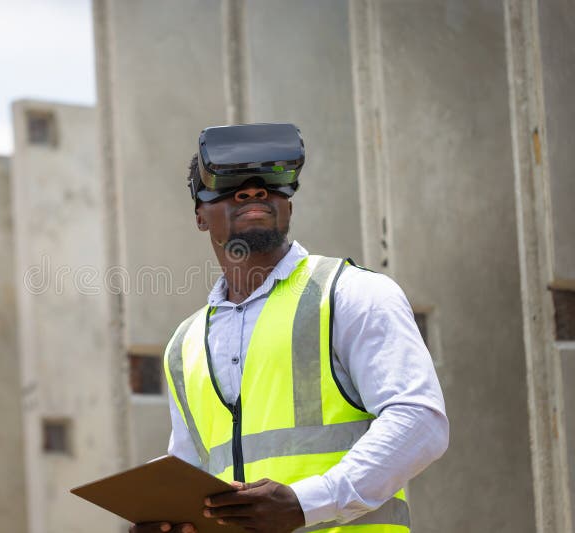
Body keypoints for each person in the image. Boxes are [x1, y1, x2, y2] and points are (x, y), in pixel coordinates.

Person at [131, 124, 448, 533]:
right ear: (199, 215)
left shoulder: (351, 294)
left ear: (289, 202)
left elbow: (420, 421)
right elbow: (195, 476)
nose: (252, 191)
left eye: (268, 184)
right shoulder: (184, 345)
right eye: (231, 186)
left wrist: (305, 504)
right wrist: (168, 520)